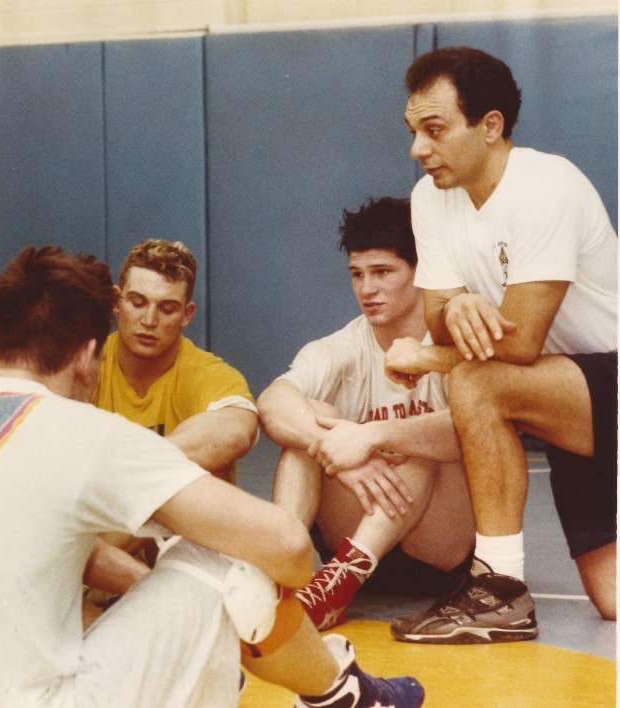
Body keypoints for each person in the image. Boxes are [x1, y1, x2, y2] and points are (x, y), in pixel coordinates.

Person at [0, 245, 425, 708]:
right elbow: (289, 545)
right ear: (88, 354)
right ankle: (341, 693)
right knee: (225, 562)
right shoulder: (71, 427)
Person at [385, 46, 617, 643]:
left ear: (490, 126)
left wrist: (424, 356)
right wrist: (455, 306)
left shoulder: (546, 186)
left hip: (599, 375)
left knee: (477, 381)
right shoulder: (429, 199)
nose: (418, 149)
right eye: (413, 131)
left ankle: (499, 589)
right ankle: (501, 591)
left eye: (434, 130)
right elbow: (440, 316)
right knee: (612, 598)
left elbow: (517, 345)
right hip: (565, 391)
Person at [258, 196, 474, 631]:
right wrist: (330, 444)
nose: (367, 289)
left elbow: (470, 432)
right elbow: (272, 403)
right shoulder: (343, 347)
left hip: (439, 546)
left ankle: (345, 575)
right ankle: (280, 573)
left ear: (421, 273)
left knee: (415, 437)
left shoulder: (451, 345)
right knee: (310, 416)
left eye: (383, 273)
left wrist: (374, 438)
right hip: (354, 537)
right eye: (357, 274)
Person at [92, 239, 258, 484]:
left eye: (167, 309)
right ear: (117, 302)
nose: (149, 320)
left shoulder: (205, 371)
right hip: (103, 514)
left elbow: (234, 434)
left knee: (212, 463)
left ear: (186, 315)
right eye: (138, 303)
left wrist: (124, 468)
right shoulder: (86, 362)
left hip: (177, 515)